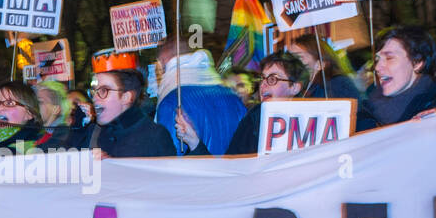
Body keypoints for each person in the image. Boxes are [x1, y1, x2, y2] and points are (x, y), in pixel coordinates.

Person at [176, 52, 311, 155]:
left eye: (272, 79)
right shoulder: (253, 119)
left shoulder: (312, 122)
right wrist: (194, 141)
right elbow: (231, 169)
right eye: (262, 78)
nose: (263, 84)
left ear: (294, 87)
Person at [355, 26, 436, 129]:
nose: (377, 67)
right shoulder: (364, 113)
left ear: (417, 63)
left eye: (389, 58)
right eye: (378, 59)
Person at [152, 39, 246, 156]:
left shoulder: (173, 102)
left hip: (196, 173)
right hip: (235, 172)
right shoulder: (234, 98)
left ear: (163, 61)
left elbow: (168, 156)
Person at [80, 67, 177, 157]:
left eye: (104, 91)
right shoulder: (94, 134)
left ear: (126, 97)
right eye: (93, 92)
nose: (95, 98)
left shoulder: (154, 137)